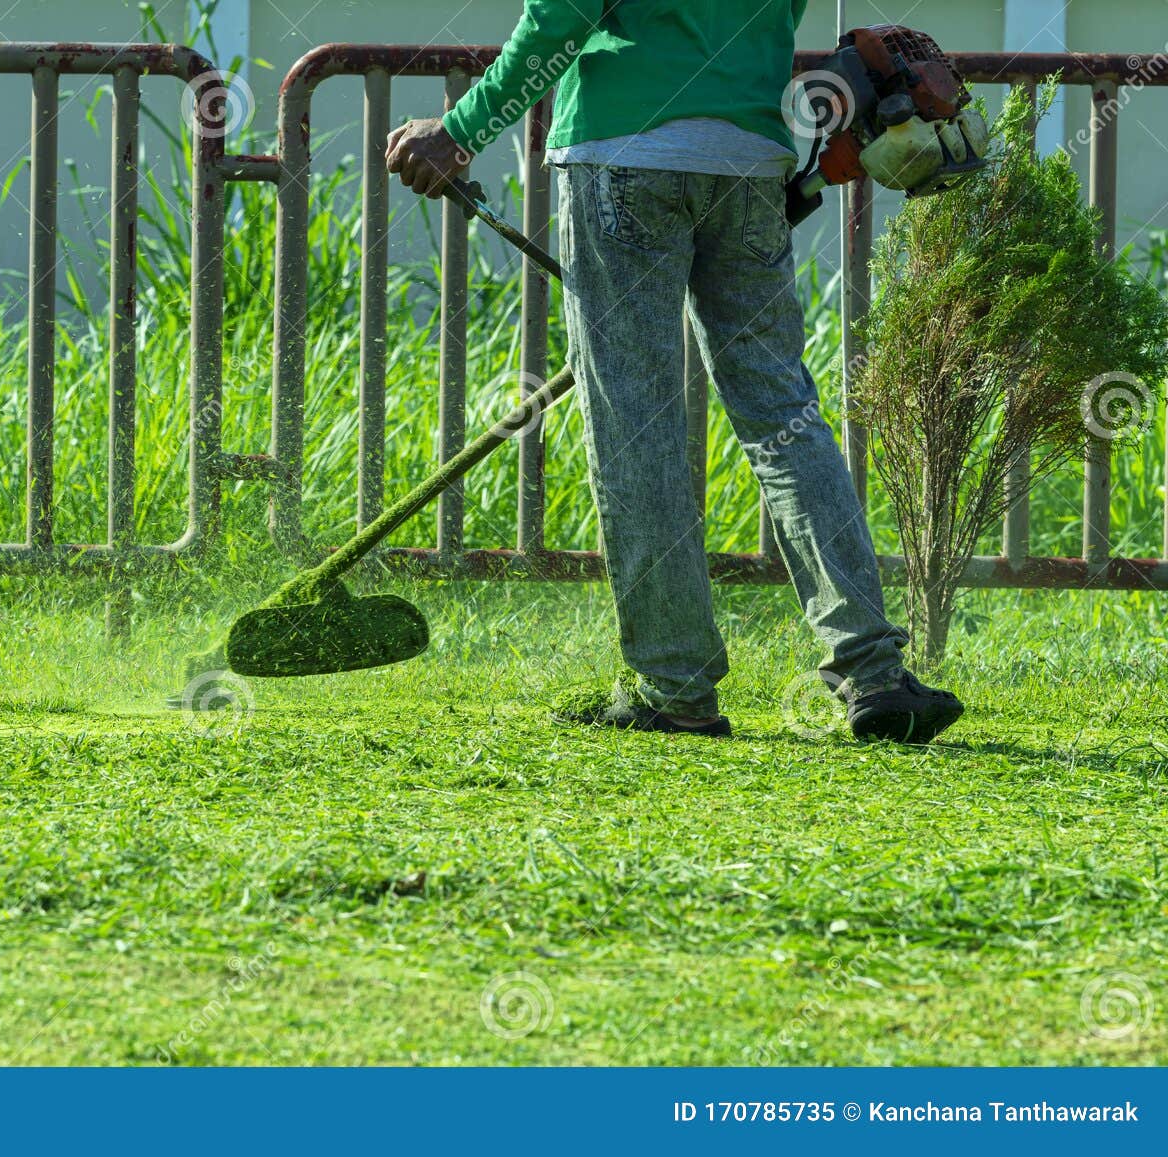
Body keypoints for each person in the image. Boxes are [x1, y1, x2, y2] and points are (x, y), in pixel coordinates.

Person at [385, 0, 963, 744]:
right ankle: (874, 669)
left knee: (636, 418)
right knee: (784, 415)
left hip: (624, 152)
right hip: (750, 162)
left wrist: (460, 133)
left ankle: (675, 685)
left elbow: (561, 16)